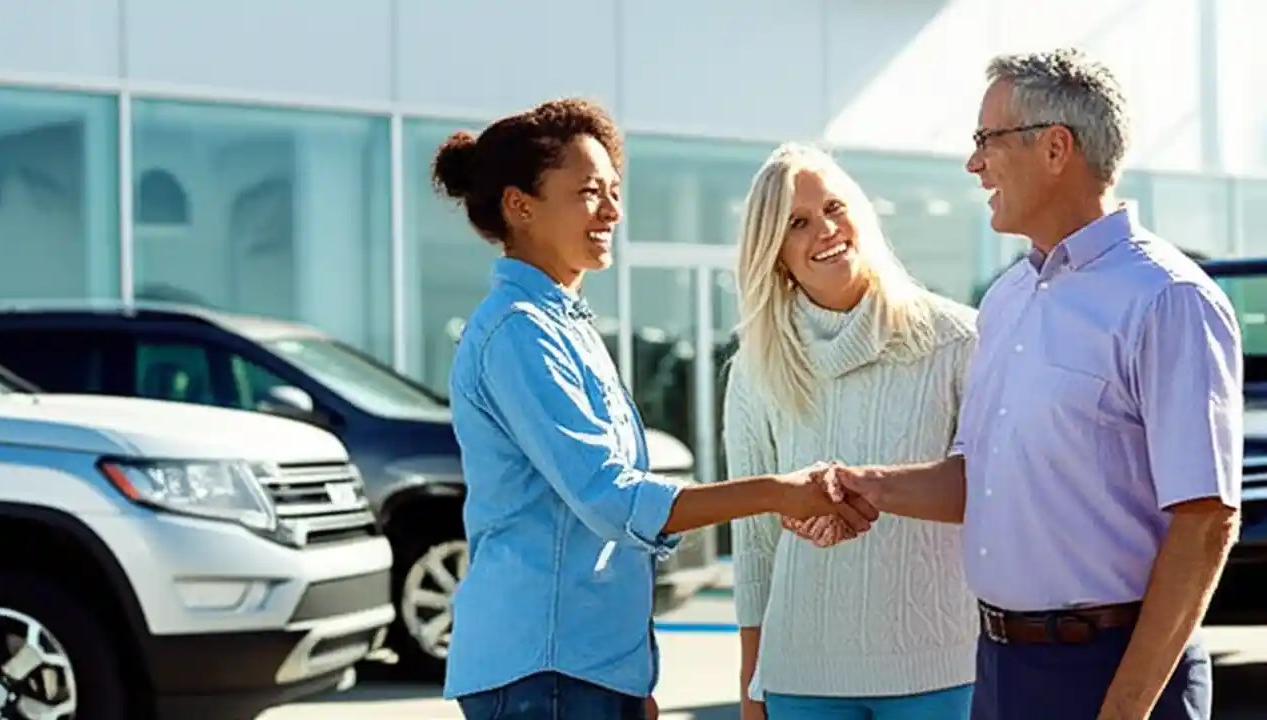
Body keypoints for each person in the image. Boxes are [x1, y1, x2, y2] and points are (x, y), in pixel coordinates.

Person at [804, 48, 1243, 719]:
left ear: (1056, 147)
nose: (973, 163)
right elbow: (977, 474)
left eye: (987, 139)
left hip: (1118, 675)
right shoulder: (1009, 297)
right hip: (1003, 669)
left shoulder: (1169, 299)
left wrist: (1123, 710)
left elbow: (1207, 519)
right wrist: (866, 487)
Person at [431, 98, 876, 720]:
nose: (612, 210)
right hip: (545, 670)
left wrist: (631, 677)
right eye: (589, 192)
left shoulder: (565, 324)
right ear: (520, 206)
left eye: (614, 190)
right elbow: (612, 498)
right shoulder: (519, 331)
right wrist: (779, 493)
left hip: (586, 668)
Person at [725, 142, 979, 720]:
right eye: (798, 222)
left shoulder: (958, 340)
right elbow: (755, 539)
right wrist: (751, 682)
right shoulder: (756, 363)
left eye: (835, 207)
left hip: (940, 669)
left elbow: (989, 492)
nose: (826, 230)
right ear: (775, 252)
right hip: (801, 674)